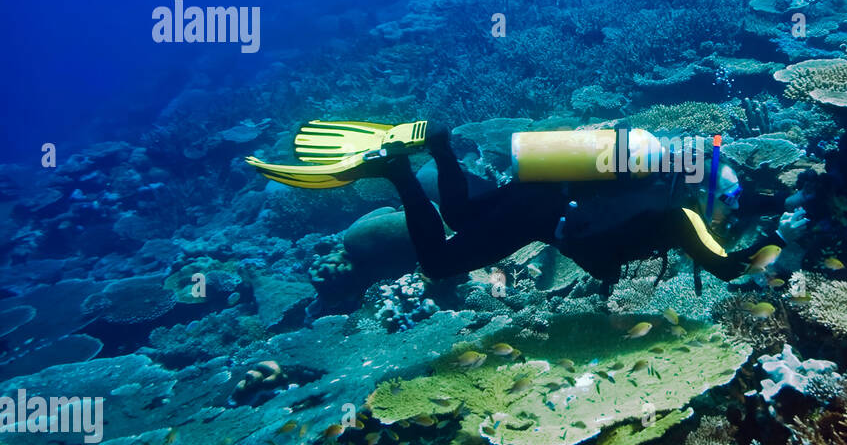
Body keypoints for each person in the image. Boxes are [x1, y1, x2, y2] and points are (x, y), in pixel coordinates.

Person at [246, 119, 807, 290]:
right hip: (542, 215)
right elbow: (730, 266)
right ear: (706, 194)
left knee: (462, 215)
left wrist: (783, 199)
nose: (724, 218)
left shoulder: (654, 185)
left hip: (540, 195)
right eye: (726, 206)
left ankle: (440, 146)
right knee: (439, 263)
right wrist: (787, 245)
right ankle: (397, 171)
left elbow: (747, 202)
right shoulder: (684, 216)